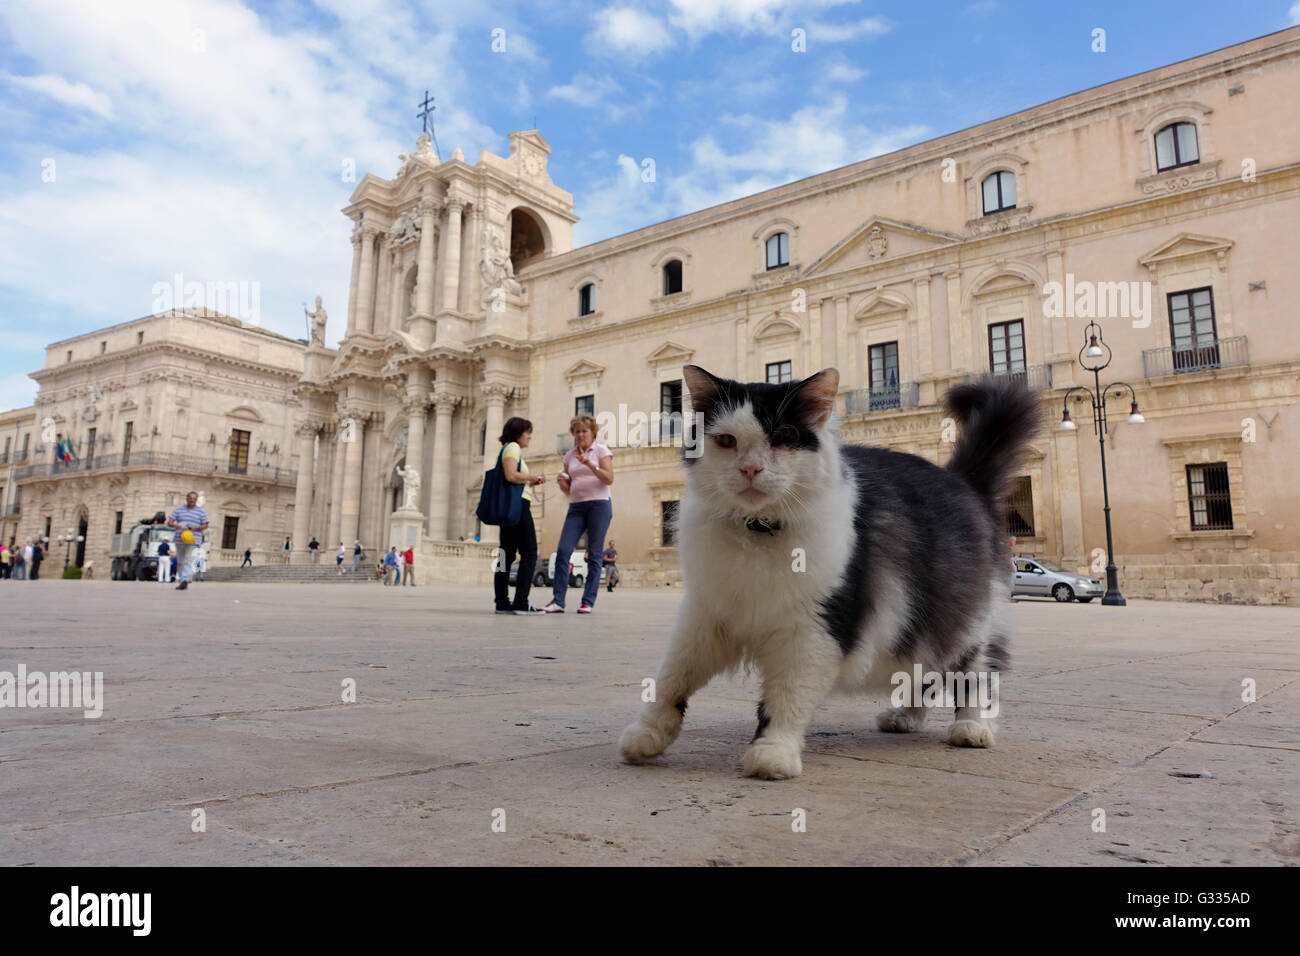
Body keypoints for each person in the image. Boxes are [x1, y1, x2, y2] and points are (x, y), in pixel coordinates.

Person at [543, 414, 614, 615]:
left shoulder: (601, 451)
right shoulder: (569, 456)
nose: (580, 435)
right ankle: (558, 601)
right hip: (576, 507)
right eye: (577, 431)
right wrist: (563, 484)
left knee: (594, 554)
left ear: (593, 433)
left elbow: (609, 478)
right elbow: (569, 487)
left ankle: (588, 601)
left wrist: (590, 464)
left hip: (599, 505)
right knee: (563, 551)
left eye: (584, 431)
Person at [494, 416, 546, 615]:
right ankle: (521, 602)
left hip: (510, 504)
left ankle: (501, 602)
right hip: (518, 505)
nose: (530, 436)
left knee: (505, 553)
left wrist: (530, 482)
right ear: (518, 433)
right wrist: (532, 477)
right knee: (530, 552)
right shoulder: (513, 448)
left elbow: (513, 478)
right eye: (528, 432)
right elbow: (510, 475)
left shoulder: (508, 448)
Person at [166, 490, 209, 591]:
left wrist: (196, 527)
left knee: (188, 559)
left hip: (194, 540)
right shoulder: (179, 510)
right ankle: (182, 580)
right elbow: (170, 522)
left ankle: (185, 580)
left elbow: (206, 524)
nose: (192, 500)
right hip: (179, 539)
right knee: (180, 561)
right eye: (190, 498)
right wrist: (175, 525)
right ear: (187, 499)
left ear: (196, 500)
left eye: (194, 499)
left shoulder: (201, 511)